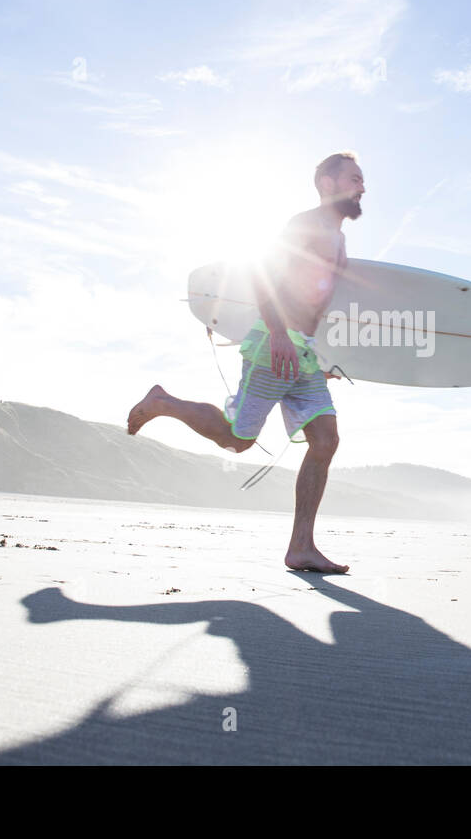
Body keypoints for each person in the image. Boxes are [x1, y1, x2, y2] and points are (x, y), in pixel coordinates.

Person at [127, 152, 365, 573]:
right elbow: (262, 271)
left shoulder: (338, 235)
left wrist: (313, 354)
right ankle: (163, 403)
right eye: (354, 178)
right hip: (272, 344)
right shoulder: (306, 223)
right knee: (238, 440)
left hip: (303, 352)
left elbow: (313, 298)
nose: (362, 187)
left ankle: (302, 547)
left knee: (326, 441)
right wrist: (276, 333)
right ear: (328, 183)